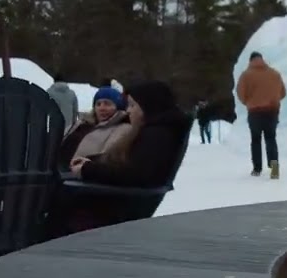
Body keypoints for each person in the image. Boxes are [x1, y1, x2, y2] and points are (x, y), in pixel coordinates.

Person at [59, 81, 190, 232]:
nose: (128, 111)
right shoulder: (156, 132)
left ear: (148, 106)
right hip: (116, 202)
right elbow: (128, 162)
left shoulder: (157, 136)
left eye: (133, 106)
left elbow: (135, 175)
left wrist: (87, 169)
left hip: (112, 207)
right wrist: (92, 161)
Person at [235, 51, 286, 178]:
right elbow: (283, 92)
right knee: (271, 139)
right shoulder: (274, 74)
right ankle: (274, 168)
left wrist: (248, 102)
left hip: (255, 112)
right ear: (262, 59)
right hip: (271, 112)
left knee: (256, 140)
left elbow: (240, 93)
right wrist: (273, 100)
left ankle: (257, 169)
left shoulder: (246, 75)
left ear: (250, 60)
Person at [58, 86, 132, 166]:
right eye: (98, 104)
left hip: (78, 173)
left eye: (107, 104)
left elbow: (107, 156)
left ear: (118, 107)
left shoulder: (122, 129)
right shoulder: (80, 123)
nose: (102, 108)